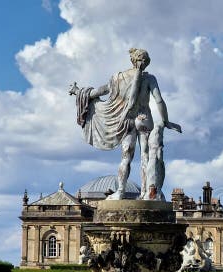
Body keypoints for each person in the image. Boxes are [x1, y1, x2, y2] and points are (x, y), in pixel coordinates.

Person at [70, 48, 181, 200]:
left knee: (126, 157)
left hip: (127, 119)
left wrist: (78, 91)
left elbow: (97, 92)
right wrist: (166, 121)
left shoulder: (118, 78)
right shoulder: (149, 79)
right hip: (144, 118)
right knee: (146, 157)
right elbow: (159, 100)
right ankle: (145, 193)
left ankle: (120, 191)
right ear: (145, 62)